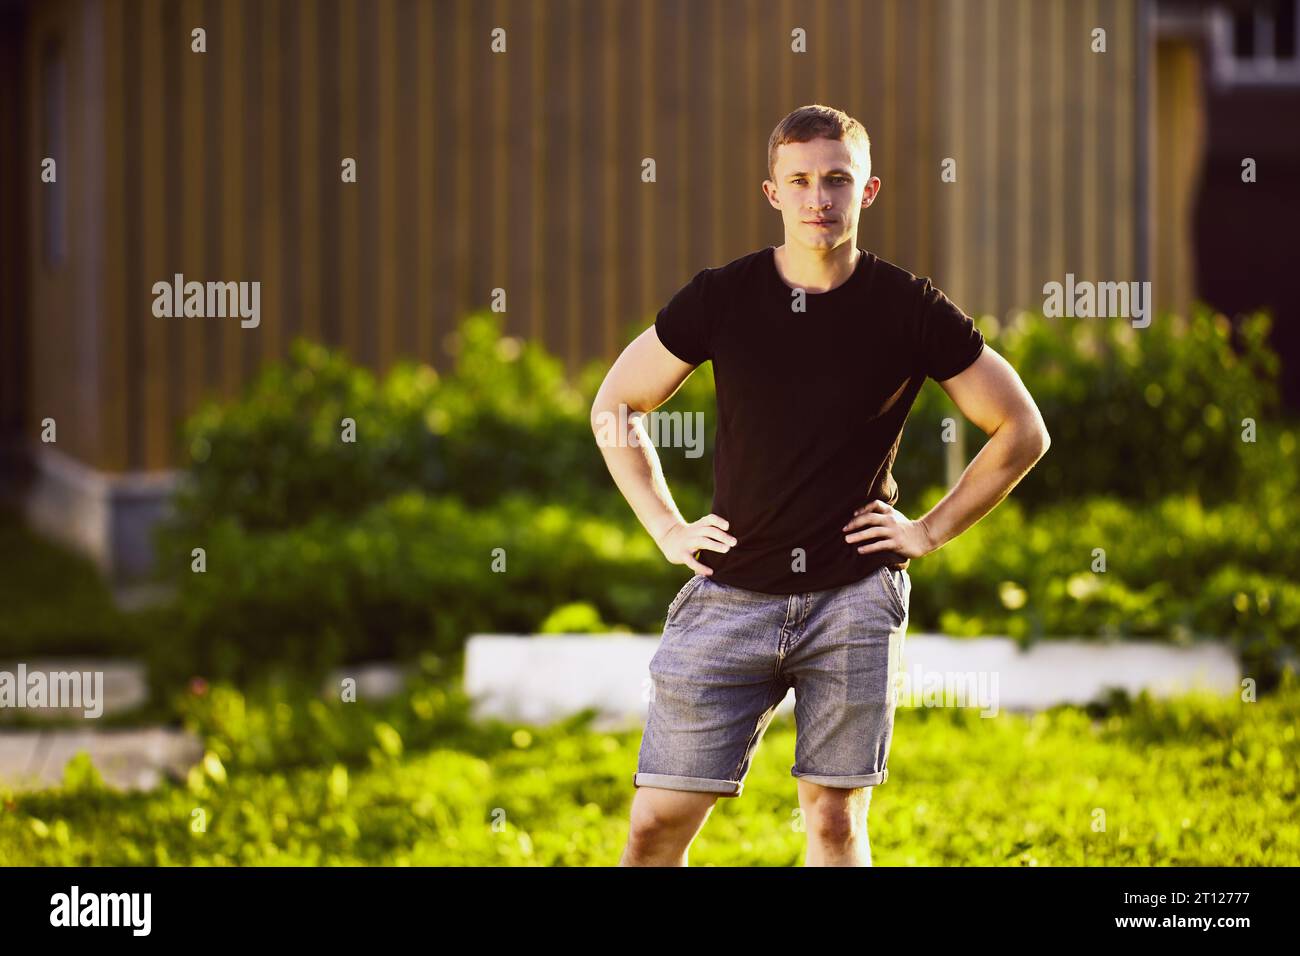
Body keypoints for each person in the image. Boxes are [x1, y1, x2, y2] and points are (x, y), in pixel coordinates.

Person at [590, 104, 1050, 866]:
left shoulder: (910, 307)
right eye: (799, 181)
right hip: (730, 594)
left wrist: (927, 530)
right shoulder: (722, 297)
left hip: (853, 599)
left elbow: (1021, 430)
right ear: (772, 192)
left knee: (834, 825)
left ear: (867, 191)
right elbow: (616, 405)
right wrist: (668, 528)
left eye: (837, 180)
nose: (818, 199)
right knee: (652, 827)